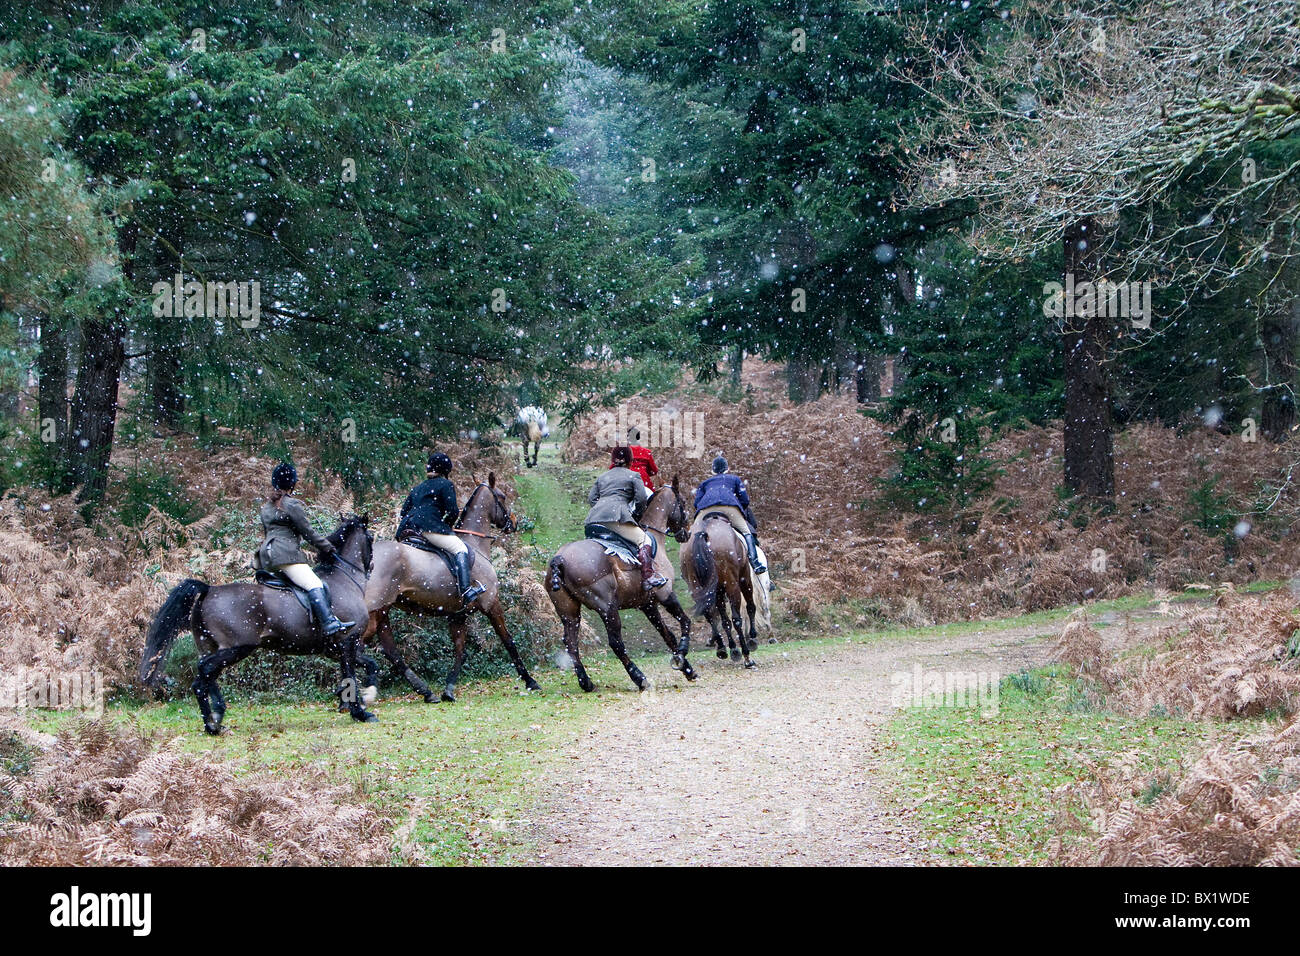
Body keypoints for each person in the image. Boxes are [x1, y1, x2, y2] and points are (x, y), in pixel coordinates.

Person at [257, 462, 353, 636]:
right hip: (284, 555)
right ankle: (329, 623)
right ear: (292, 483)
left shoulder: (267, 507)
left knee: (296, 587)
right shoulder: (291, 504)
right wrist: (328, 547)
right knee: (314, 584)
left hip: (267, 556)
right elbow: (308, 533)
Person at [397, 452, 485, 603]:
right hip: (428, 528)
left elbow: (403, 511)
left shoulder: (418, 487)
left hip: (407, 529)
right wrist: (445, 527)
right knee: (460, 549)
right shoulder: (445, 485)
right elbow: (451, 512)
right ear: (445, 470)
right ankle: (466, 591)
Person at [587, 446, 667, 590]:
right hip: (615, 518)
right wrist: (635, 516)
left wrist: (601, 508)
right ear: (630, 461)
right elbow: (641, 499)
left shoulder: (603, 476)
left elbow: (592, 498)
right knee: (644, 540)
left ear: (613, 461)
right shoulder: (633, 476)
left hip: (593, 520)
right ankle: (648, 576)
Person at [693, 455, 767, 575]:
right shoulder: (735, 479)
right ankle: (755, 562)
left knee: (693, 534)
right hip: (728, 506)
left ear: (713, 471)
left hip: (705, 509)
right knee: (746, 532)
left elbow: (696, 503)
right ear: (727, 468)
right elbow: (745, 500)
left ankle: (690, 567)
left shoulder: (705, 483)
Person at [616, 426, 659, 492]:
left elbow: (614, 468)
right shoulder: (646, 452)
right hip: (643, 480)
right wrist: (643, 471)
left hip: (626, 479)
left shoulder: (622, 451)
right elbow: (654, 471)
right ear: (638, 437)